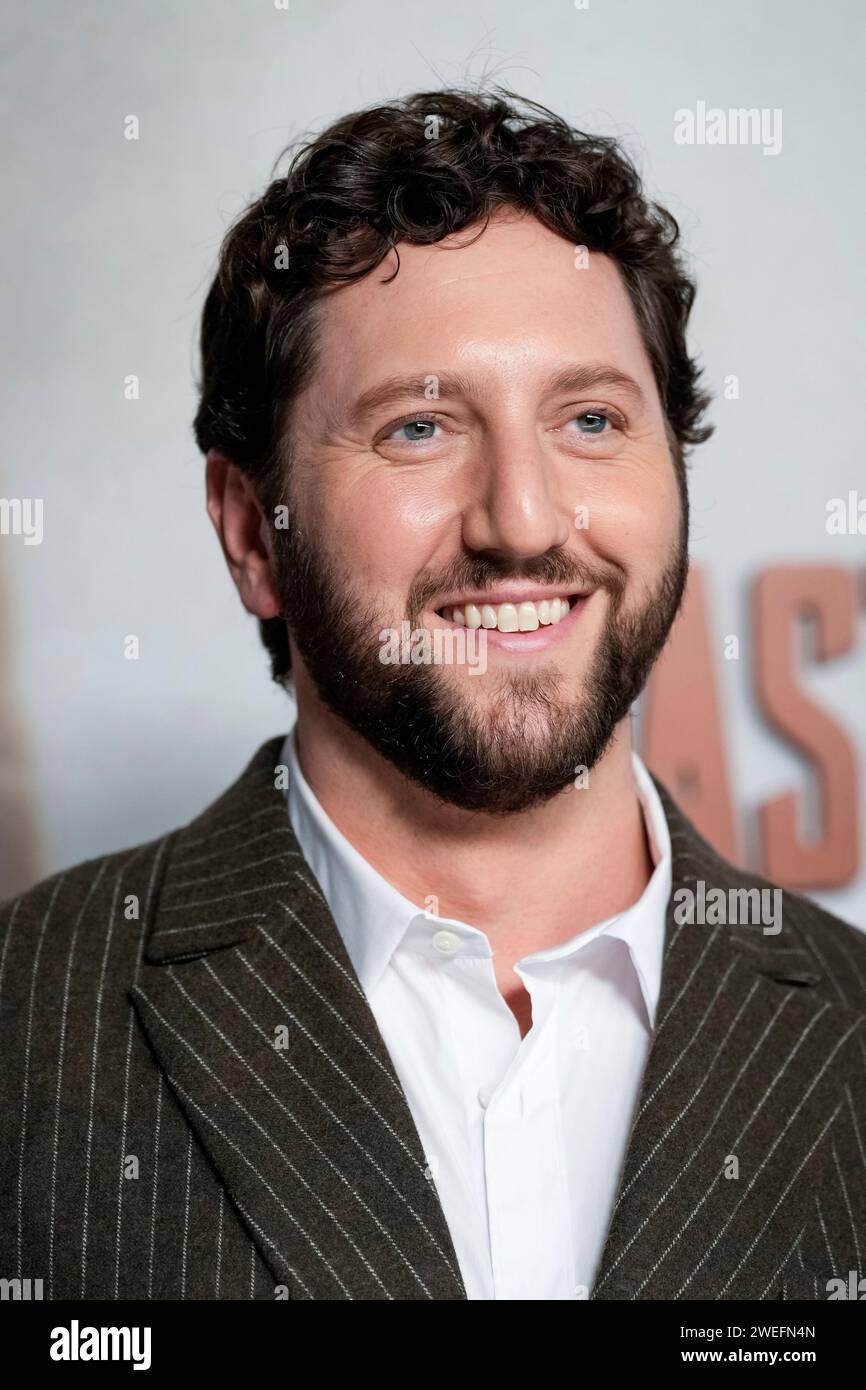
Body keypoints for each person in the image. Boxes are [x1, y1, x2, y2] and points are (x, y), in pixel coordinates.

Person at [2, 87, 864, 1302]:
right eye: (417, 426)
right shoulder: (27, 1020)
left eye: (590, 418)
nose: (521, 517)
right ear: (252, 531)